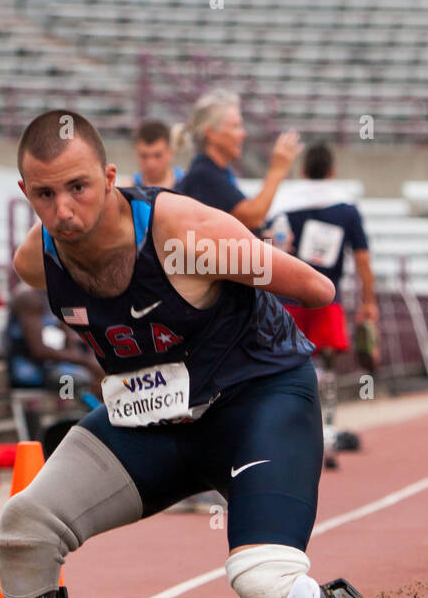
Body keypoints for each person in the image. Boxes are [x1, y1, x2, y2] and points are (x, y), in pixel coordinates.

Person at [0, 108, 408, 598]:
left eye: (78, 187)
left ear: (110, 178)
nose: (63, 210)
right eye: (45, 194)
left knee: (264, 586)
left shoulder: (183, 232)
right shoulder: (35, 262)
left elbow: (316, 288)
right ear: (26, 193)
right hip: (153, 422)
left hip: (255, 405)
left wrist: (231, 260)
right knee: (24, 529)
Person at [272, 142, 377, 465]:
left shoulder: (283, 205)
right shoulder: (346, 208)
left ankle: (288, 435)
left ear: (303, 170)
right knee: (327, 367)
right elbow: (362, 260)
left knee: (285, 370)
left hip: (287, 300)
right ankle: (326, 434)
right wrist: (368, 302)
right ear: (332, 171)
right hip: (326, 299)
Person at [178, 89, 301, 229]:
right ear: (211, 133)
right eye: (235, 126)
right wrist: (277, 171)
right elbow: (252, 217)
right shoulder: (204, 175)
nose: (243, 134)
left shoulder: (217, 171)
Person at [130, 119, 185, 190]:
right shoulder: (128, 190)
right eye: (144, 156)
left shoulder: (189, 184)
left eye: (157, 155)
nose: (151, 163)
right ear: (136, 154)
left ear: (170, 153)